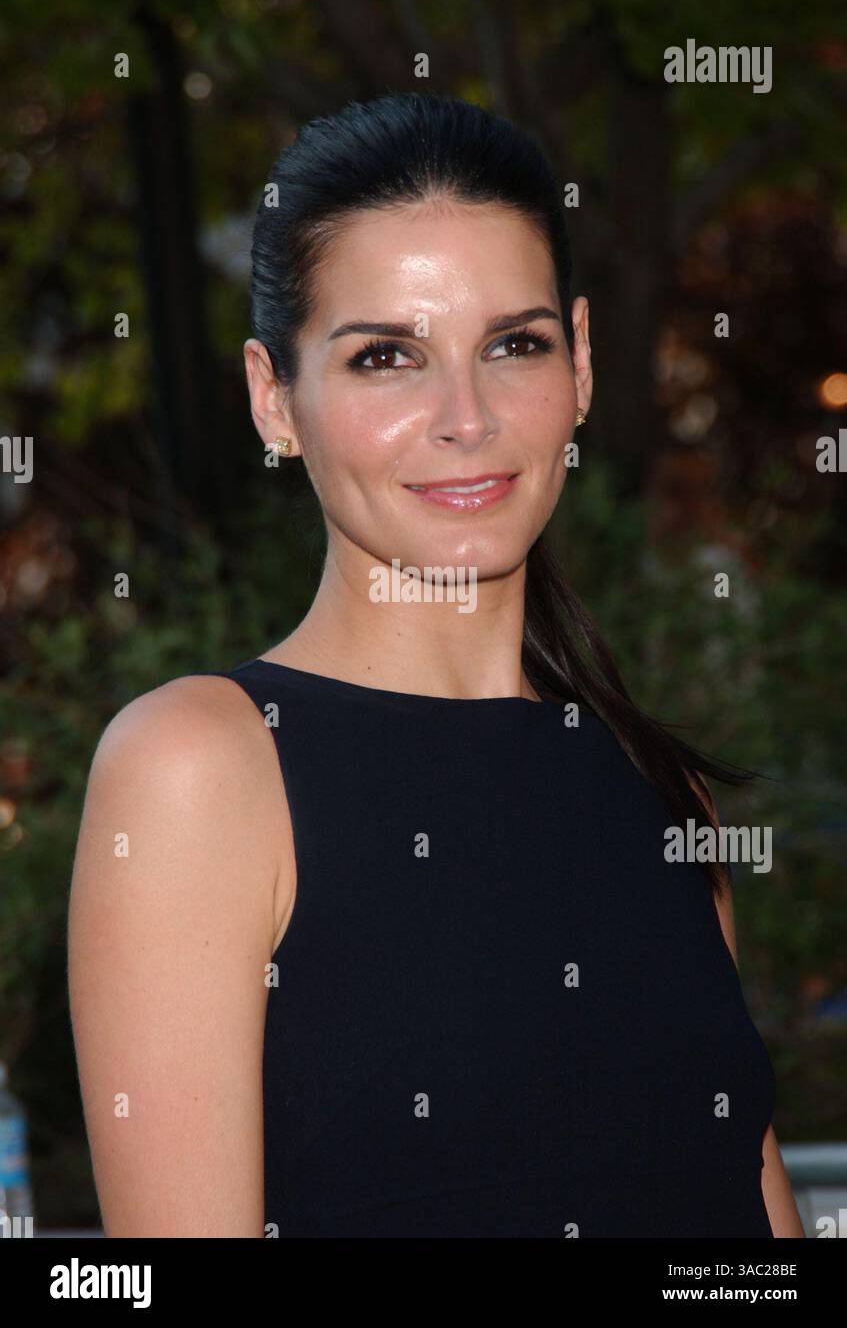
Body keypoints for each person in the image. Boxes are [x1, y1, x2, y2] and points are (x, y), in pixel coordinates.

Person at [68, 92, 803, 1238]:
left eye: (514, 344)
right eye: (385, 357)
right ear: (276, 401)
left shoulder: (658, 790)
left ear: (583, 363)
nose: (465, 416)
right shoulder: (202, 769)